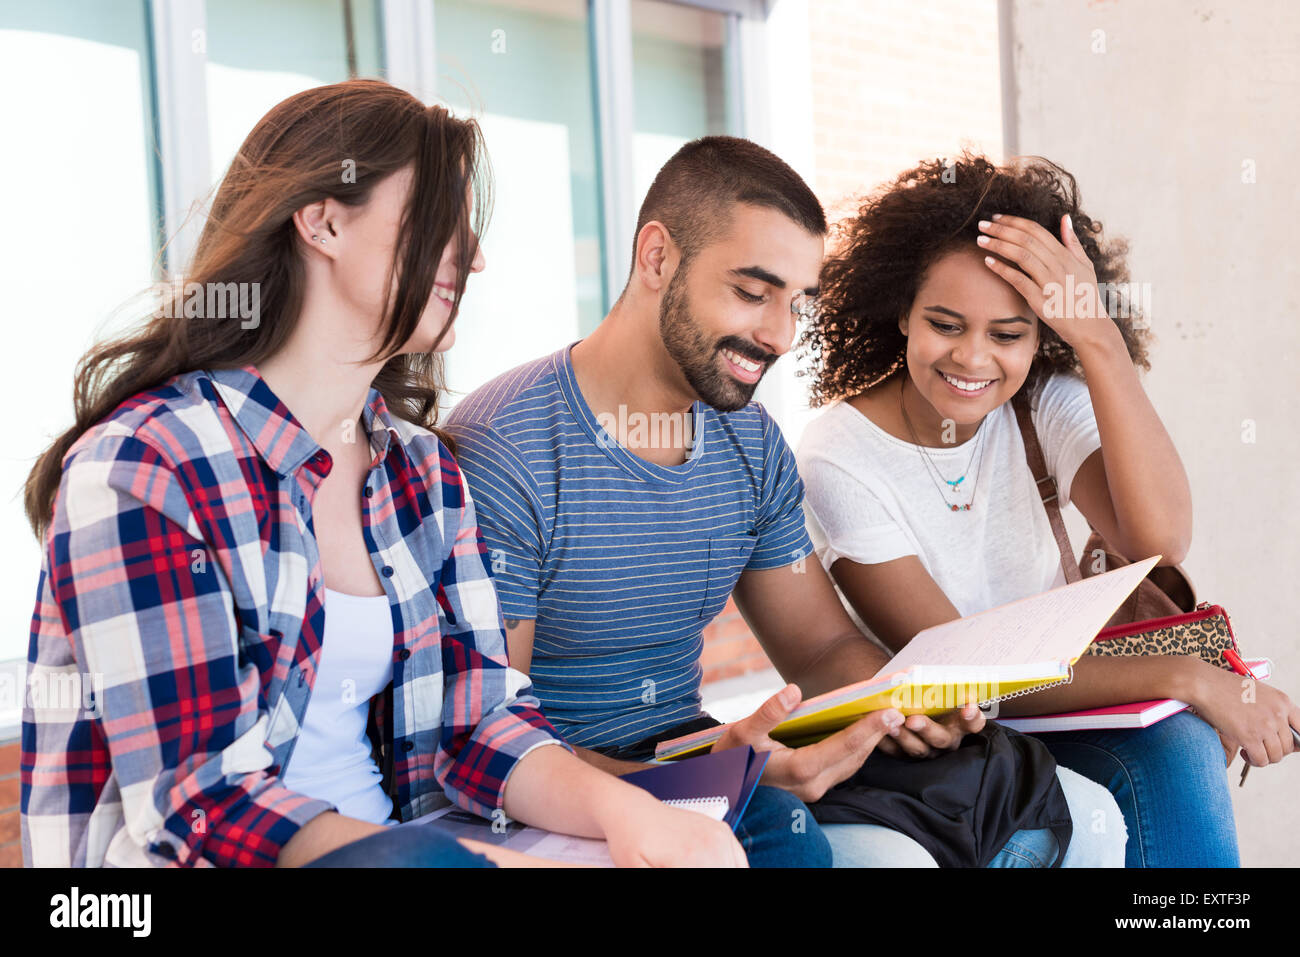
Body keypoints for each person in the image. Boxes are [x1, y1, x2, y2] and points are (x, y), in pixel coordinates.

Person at [19, 79, 749, 868]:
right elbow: (205, 804)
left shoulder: (421, 469)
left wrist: (628, 813)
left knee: (758, 825)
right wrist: (487, 865)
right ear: (324, 220)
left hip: (410, 847)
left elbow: (480, 722)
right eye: (441, 222)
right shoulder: (146, 464)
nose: (473, 255)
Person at [444, 135, 1127, 867]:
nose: (778, 334)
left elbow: (824, 646)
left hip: (706, 762)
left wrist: (899, 704)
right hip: (565, 796)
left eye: (797, 301)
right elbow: (490, 735)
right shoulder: (506, 448)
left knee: (1087, 814)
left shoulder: (748, 441)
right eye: (750, 290)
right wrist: (710, 781)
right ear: (656, 257)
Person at [796, 151, 1300, 867]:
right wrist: (1191, 676)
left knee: (1180, 743)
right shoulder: (839, 454)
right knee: (1180, 728)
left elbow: (1161, 535)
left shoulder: (1041, 406)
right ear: (903, 311)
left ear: (1040, 338)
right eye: (945, 323)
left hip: (1062, 705)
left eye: (1008, 334)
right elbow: (962, 671)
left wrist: (1096, 335)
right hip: (954, 736)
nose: (973, 358)